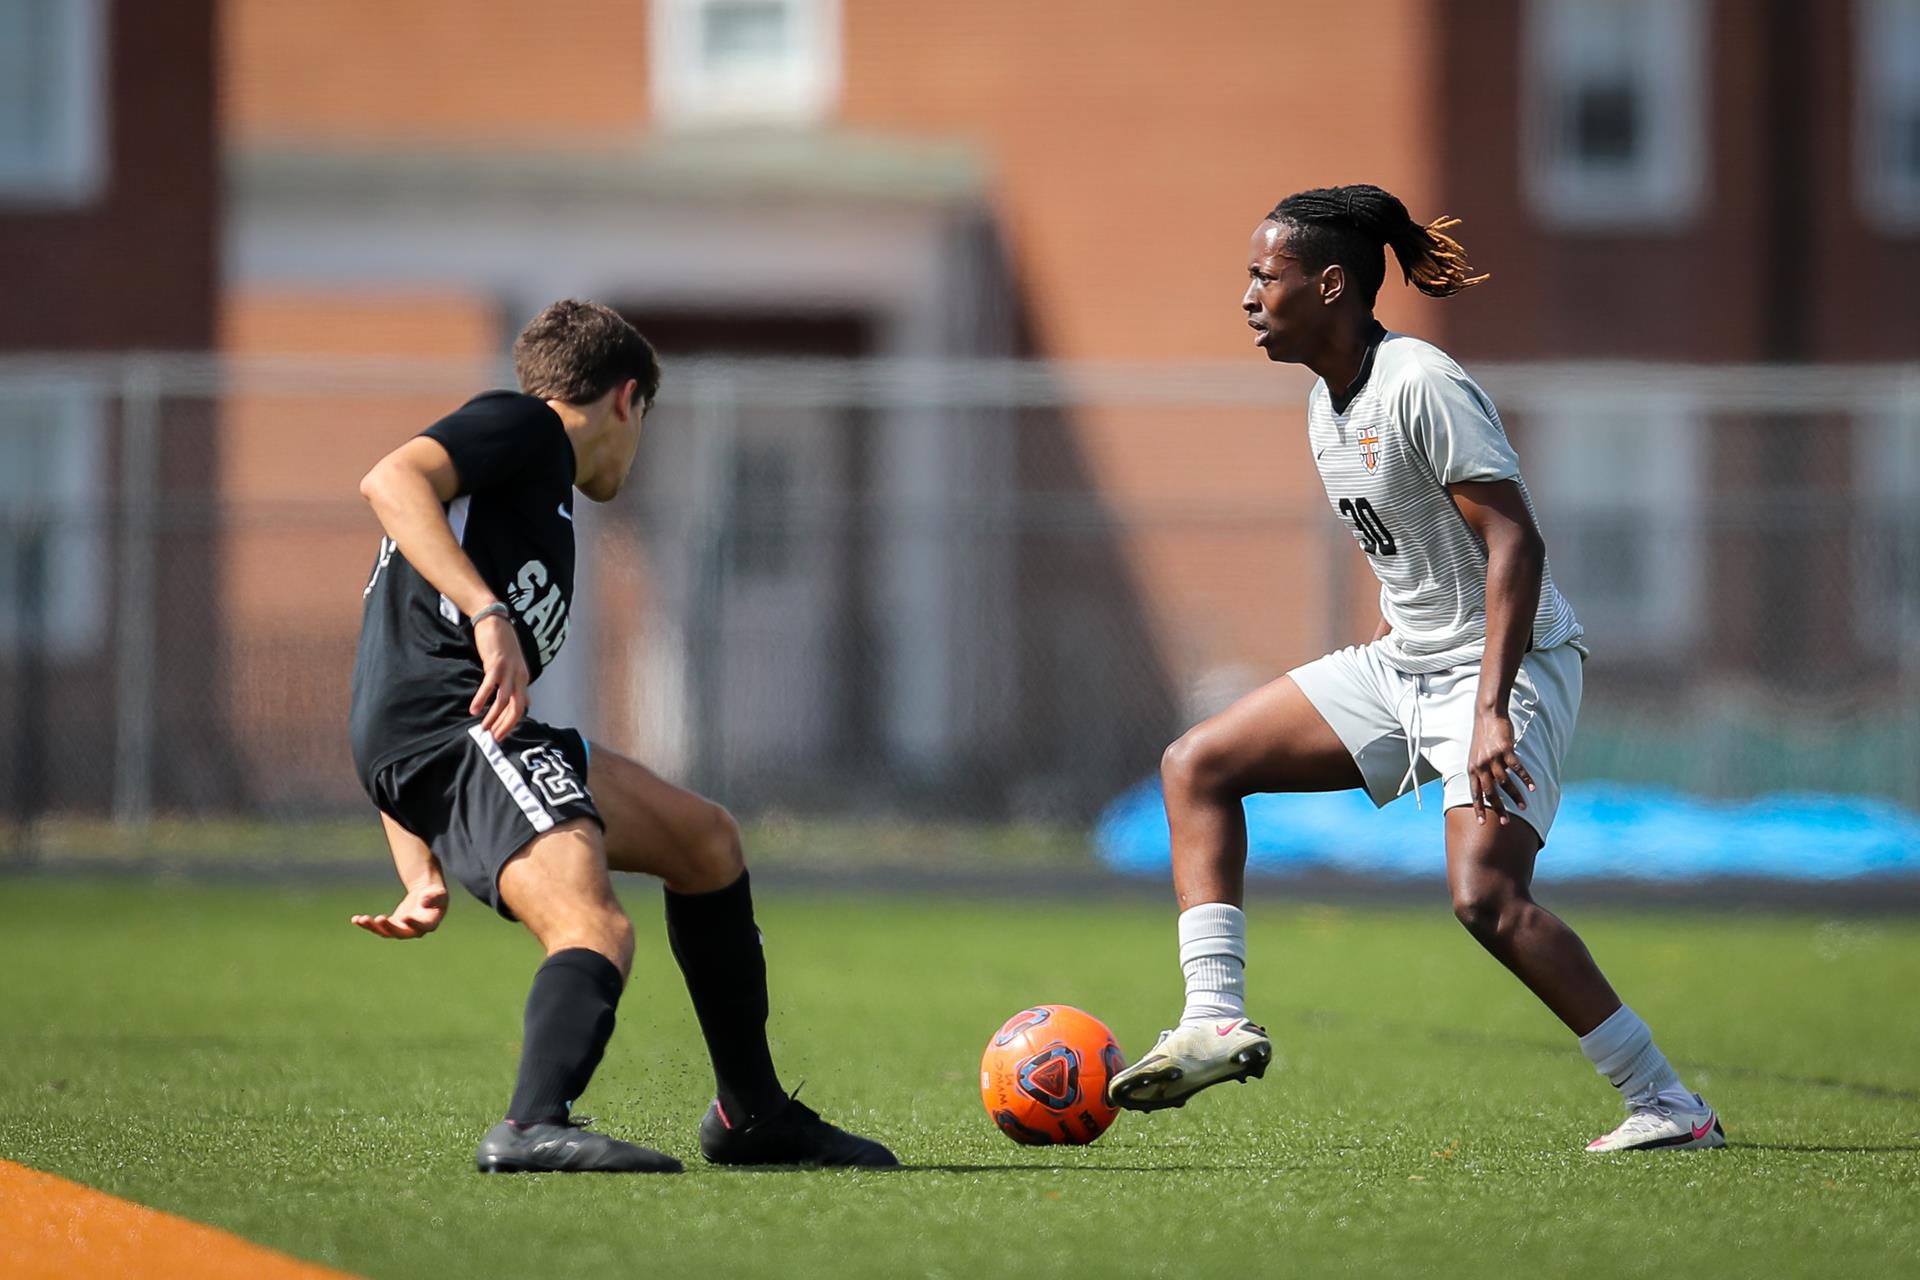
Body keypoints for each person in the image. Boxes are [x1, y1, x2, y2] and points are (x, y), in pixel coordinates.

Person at [1105, 186, 1724, 1154]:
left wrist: (1489, 712)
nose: (1248, 296)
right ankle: (1212, 1017)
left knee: (1487, 900)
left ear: (1333, 282)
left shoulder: (1420, 381)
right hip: (1408, 662)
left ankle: (1671, 1105)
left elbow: (1518, 542)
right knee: (1197, 763)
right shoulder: (1325, 402)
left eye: (1265, 276)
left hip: (1506, 667)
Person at [347, 299, 896, 1173]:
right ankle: (530, 1126)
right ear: (627, 400)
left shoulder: (527, 491)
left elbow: (389, 682)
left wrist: (418, 864)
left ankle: (751, 1113)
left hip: (464, 737)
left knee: (706, 841)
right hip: (459, 734)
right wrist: (489, 611)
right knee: (593, 925)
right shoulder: (526, 426)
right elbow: (389, 481)